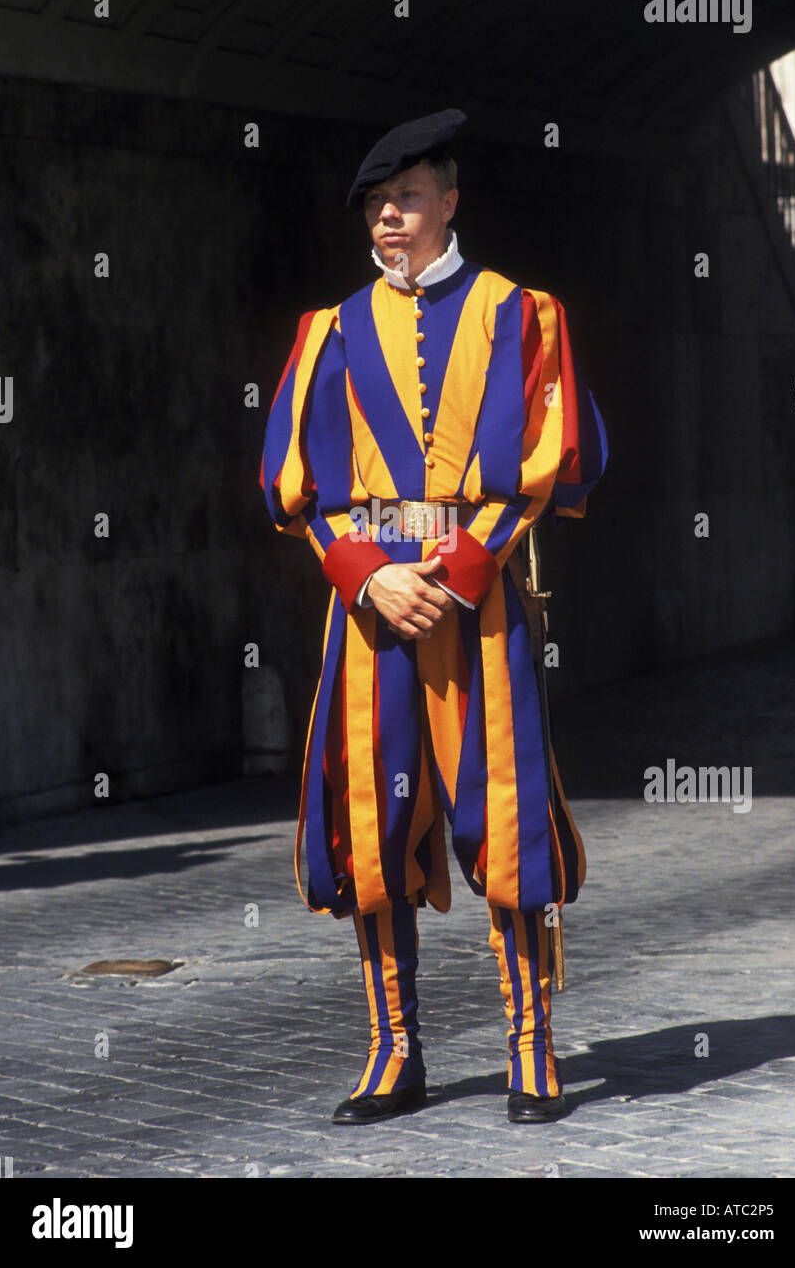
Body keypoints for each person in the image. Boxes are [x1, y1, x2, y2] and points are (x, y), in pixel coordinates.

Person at [260, 108, 607, 1125]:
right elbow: (302, 489)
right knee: (368, 823)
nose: (387, 220)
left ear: (448, 202)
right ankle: (392, 1050)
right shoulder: (327, 333)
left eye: (405, 199)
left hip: (477, 601)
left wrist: (448, 575)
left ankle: (530, 1048)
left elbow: (540, 460)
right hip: (368, 615)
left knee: (505, 819)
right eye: (375, 205)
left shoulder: (518, 314)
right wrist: (367, 575)